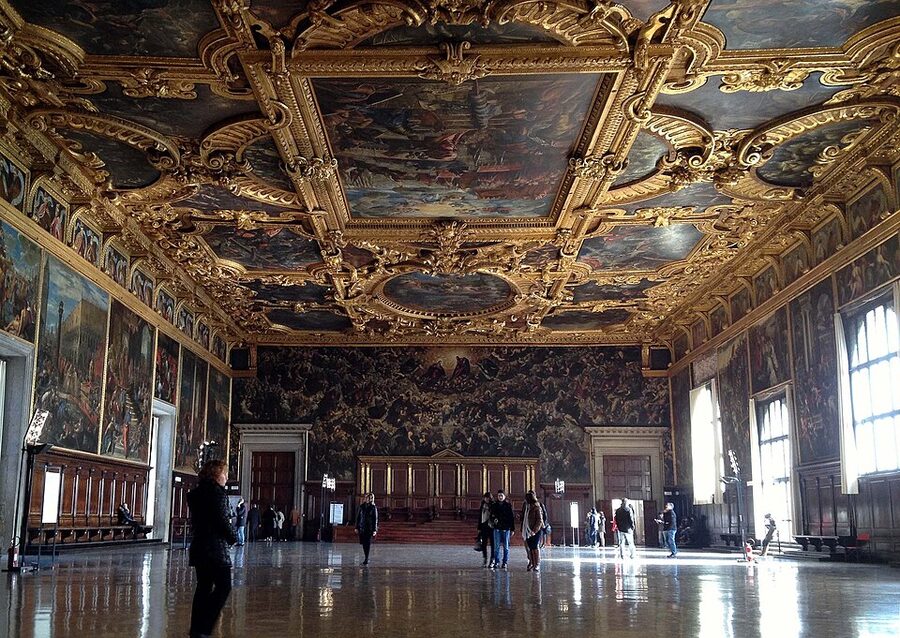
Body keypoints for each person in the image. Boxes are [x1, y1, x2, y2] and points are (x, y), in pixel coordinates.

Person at [187, 459, 237, 638]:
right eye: (224, 473)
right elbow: (222, 520)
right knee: (224, 586)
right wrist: (234, 537)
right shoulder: (218, 494)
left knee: (203, 587)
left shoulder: (195, 494)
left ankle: (196, 628)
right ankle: (204, 627)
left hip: (199, 546)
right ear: (216, 475)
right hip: (215, 548)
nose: (226, 477)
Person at [490, 489, 514, 570]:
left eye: (501, 495)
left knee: (506, 546)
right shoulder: (494, 505)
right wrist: (494, 520)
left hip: (506, 528)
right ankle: (497, 561)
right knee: (496, 546)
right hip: (497, 528)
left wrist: (512, 529)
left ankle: (505, 562)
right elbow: (491, 516)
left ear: (504, 496)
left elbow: (511, 517)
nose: (500, 497)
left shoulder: (508, 505)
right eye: (499, 495)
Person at [522, 491, 545, 572]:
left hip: (535, 531)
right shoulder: (526, 507)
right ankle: (532, 563)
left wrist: (534, 531)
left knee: (535, 547)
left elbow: (540, 520)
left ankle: (537, 564)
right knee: (530, 548)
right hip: (527, 530)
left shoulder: (537, 507)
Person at [356, 493, 378, 565]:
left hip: (369, 528)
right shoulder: (361, 506)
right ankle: (366, 557)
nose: (365, 499)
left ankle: (366, 558)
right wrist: (356, 527)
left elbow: (375, 519)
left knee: (367, 543)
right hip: (362, 527)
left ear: (370, 499)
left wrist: (374, 530)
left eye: (367, 498)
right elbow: (358, 517)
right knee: (363, 543)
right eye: (365, 497)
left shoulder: (373, 507)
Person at [478, 492, 495, 568]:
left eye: (488, 498)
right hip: (484, 526)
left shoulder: (494, 505)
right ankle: (485, 559)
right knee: (484, 544)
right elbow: (480, 517)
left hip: (491, 527)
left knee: (493, 545)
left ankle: (492, 559)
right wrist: (479, 528)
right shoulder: (482, 505)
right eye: (485, 497)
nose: (487, 499)